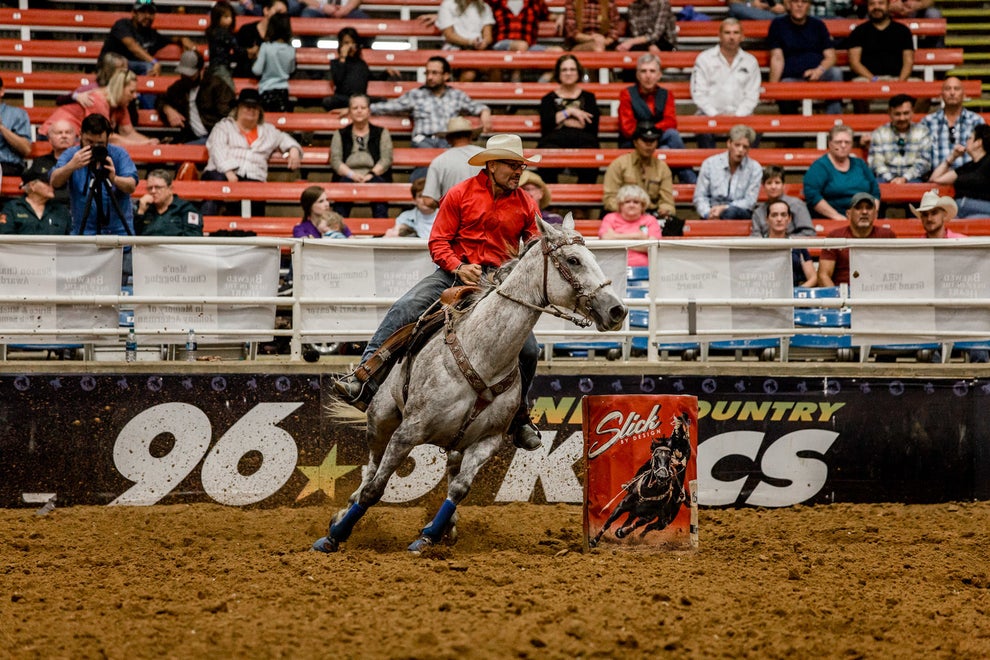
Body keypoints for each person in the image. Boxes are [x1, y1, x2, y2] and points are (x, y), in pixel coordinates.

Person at [333, 134, 544, 451]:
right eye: (513, 165)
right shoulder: (460, 194)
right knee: (406, 308)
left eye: (521, 165)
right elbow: (438, 242)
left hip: (497, 284)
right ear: (492, 165)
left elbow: (533, 248)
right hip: (453, 275)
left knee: (529, 350)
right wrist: (459, 267)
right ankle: (364, 378)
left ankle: (520, 417)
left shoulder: (526, 202)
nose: (519, 171)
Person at [50, 114, 139, 282]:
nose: (94, 148)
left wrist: (114, 179)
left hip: (119, 238)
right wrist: (71, 166)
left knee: (123, 292)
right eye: (89, 142)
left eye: (99, 144)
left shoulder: (118, 154)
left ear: (108, 138)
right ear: (81, 135)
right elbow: (55, 181)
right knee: (85, 293)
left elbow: (131, 185)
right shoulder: (73, 154)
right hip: (84, 238)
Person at [201, 88, 303, 217]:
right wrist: (229, 172)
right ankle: (204, 229)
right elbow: (217, 149)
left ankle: (253, 233)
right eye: (247, 106)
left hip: (253, 177)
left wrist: (293, 150)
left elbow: (285, 139)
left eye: (255, 107)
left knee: (256, 194)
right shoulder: (224, 126)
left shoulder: (268, 130)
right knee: (215, 187)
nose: (251, 110)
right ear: (238, 108)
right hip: (221, 173)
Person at [368, 57, 493, 151]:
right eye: (427, 73)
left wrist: (485, 112)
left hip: (448, 141)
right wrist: (365, 108)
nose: (430, 77)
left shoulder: (456, 95)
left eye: (434, 73)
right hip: (423, 141)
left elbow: (476, 106)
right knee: (422, 175)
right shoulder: (416, 94)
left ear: (446, 75)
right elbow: (390, 107)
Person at [99, 0, 197, 107]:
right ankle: (149, 108)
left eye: (150, 13)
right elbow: (132, 46)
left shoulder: (151, 35)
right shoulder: (123, 25)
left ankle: (148, 111)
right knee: (148, 66)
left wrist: (182, 39)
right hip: (110, 69)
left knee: (149, 70)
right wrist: (154, 61)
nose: (147, 16)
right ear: (134, 13)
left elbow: (170, 39)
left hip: (132, 74)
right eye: (143, 12)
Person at [617, 54, 696, 183]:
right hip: (634, 142)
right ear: (637, 75)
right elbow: (627, 128)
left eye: (652, 71)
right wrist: (649, 133)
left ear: (659, 75)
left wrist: (652, 132)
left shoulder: (666, 94)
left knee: (671, 136)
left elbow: (671, 121)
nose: (648, 76)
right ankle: (691, 182)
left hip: (658, 139)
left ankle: (686, 183)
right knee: (669, 142)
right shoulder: (627, 94)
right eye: (643, 71)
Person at [689, 18, 762, 149]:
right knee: (701, 128)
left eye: (736, 33)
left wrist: (738, 116)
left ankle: (745, 168)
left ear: (742, 36)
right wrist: (715, 115)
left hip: (742, 116)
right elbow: (698, 94)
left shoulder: (751, 62)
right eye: (727, 33)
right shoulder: (704, 59)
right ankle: (710, 167)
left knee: (757, 128)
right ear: (719, 36)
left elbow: (752, 95)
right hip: (708, 115)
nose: (732, 37)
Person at [39, 71, 158, 146]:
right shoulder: (98, 100)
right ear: (119, 89)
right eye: (131, 91)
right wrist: (143, 144)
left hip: (76, 138)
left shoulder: (121, 105)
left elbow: (128, 132)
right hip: (55, 136)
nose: (135, 96)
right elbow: (104, 136)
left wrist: (150, 142)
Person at [767, 0, 842, 115]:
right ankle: (791, 126)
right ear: (789, 4)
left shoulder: (818, 25)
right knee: (785, 86)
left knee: (836, 73)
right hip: (792, 77)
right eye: (795, 1)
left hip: (819, 73)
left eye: (804, 2)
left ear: (809, 5)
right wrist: (772, 88)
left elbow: (831, 56)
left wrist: (818, 70)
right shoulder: (778, 25)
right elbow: (777, 58)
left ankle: (834, 120)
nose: (799, 5)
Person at [537, 54, 601, 185]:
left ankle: (583, 202)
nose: (568, 73)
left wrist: (560, 120)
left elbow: (591, 126)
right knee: (546, 152)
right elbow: (547, 124)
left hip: (583, 141)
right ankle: (549, 200)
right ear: (558, 73)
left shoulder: (589, 97)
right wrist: (571, 112)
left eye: (572, 69)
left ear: (578, 72)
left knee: (590, 154)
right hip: (554, 142)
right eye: (564, 70)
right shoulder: (548, 98)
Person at [330, 94, 393, 219]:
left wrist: (371, 174)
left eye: (363, 107)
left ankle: (380, 233)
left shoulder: (382, 132)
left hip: (375, 175)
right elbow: (335, 160)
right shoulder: (339, 133)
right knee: (342, 195)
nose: (359, 110)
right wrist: (352, 175)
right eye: (355, 108)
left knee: (379, 190)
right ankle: (338, 233)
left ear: (369, 111)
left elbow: (386, 159)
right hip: (347, 175)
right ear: (349, 112)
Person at [156, 50, 236, 145]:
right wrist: (167, 109)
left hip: (215, 136)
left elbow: (227, 115)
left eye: (190, 75)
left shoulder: (217, 86)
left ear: (201, 71)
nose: (186, 78)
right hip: (190, 137)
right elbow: (161, 99)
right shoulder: (179, 87)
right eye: (183, 74)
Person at [817, 192, 896, 287]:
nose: (864, 212)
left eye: (869, 208)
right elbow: (823, 275)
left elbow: (897, 270)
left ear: (876, 214)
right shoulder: (835, 237)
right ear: (848, 214)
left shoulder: (887, 236)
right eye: (858, 208)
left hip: (879, 293)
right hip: (844, 296)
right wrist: (838, 300)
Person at [803, 125, 880, 220]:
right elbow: (812, 196)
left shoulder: (860, 164)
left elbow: (875, 191)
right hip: (832, 219)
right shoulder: (819, 166)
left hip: (864, 218)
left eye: (847, 142)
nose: (843, 145)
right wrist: (838, 217)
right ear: (830, 143)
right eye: (838, 142)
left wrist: (872, 213)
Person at [603, 124, 675, 219]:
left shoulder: (662, 168)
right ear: (635, 142)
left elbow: (667, 202)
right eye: (644, 140)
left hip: (651, 216)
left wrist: (664, 210)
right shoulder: (619, 164)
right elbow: (609, 199)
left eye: (652, 141)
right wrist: (629, 210)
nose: (649, 144)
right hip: (622, 214)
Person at [693, 124, 762, 220]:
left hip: (740, 213)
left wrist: (725, 208)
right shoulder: (710, 163)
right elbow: (700, 197)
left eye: (745, 147)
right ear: (729, 143)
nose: (741, 150)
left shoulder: (755, 168)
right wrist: (708, 213)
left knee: (731, 212)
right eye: (737, 145)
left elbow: (750, 201)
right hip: (712, 212)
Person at [922, 77, 986, 172]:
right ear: (941, 95)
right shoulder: (927, 122)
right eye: (948, 89)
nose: (952, 93)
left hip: (969, 179)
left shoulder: (976, 121)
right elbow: (922, 157)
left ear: (964, 95)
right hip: (935, 179)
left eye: (956, 89)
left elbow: (983, 155)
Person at [421, 117, 484, 209]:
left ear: (448, 139)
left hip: (455, 218)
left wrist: (448, 205)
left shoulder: (439, 161)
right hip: (485, 214)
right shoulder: (486, 155)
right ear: (471, 136)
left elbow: (428, 200)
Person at [929, 125, 990, 219]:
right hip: (966, 210)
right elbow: (935, 179)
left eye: (969, 138)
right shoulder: (969, 166)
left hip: (982, 206)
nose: (966, 142)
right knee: (953, 221)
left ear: (978, 143)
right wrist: (952, 157)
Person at [868, 95, 932, 184]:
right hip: (885, 179)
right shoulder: (879, 133)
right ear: (889, 113)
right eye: (897, 114)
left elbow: (924, 161)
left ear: (912, 112)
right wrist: (890, 179)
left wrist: (905, 178)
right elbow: (876, 162)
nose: (902, 118)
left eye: (906, 113)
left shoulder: (922, 132)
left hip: (913, 178)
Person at [847, 0, 914, 83]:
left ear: (888, 6)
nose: (876, 7)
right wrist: (874, 79)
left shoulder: (903, 31)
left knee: (920, 87)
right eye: (872, 4)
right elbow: (855, 63)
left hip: (897, 79)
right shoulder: (858, 31)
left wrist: (900, 82)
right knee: (856, 84)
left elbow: (908, 61)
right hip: (867, 80)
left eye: (881, 3)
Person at [0, 162, 72, 236]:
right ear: (32, 185)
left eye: (52, 182)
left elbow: (71, 239)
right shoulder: (12, 208)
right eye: (46, 182)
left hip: (53, 248)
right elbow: (5, 237)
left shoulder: (61, 210)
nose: (51, 185)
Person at [598, 184, 662, 267]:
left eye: (636, 202)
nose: (631, 205)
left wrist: (615, 237)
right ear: (620, 205)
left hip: (645, 269)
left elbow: (653, 247)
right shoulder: (610, 218)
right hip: (614, 267)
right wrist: (638, 237)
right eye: (627, 202)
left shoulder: (650, 220)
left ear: (642, 206)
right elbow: (605, 241)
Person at [436, 0, 495, 83]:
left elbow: (488, 36)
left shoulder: (485, 7)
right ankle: (457, 94)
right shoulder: (448, 4)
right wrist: (470, 42)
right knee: (469, 74)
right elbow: (449, 35)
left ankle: (494, 94)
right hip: (456, 47)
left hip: (479, 49)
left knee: (495, 67)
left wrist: (484, 43)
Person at [750, 165, 815, 237]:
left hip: (792, 246)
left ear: (783, 185)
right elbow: (756, 237)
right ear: (763, 186)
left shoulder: (796, 205)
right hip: (767, 247)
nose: (773, 187)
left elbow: (809, 233)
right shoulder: (758, 212)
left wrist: (786, 241)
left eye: (777, 182)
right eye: (769, 183)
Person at [134, 169, 203, 236]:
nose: (153, 191)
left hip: (175, 247)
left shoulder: (186, 209)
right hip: (146, 247)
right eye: (150, 188)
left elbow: (193, 237)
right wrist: (141, 212)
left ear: (170, 189)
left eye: (158, 187)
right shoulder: (143, 207)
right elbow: (132, 237)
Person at [765, 199, 816, 287]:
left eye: (783, 215)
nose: (779, 219)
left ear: (789, 219)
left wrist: (797, 292)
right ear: (767, 219)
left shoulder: (798, 246)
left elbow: (813, 278)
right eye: (774, 215)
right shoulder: (757, 245)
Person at [252, 13, 295, 112]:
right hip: (283, 90)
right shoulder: (291, 49)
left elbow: (257, 70)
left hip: (266, 89)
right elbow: (291, 69)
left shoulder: (266, 47)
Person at [235, 0, 289, 79]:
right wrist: (248, 53)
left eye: (284, 15)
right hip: (246, 77)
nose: (281, 17)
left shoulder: (283, 35)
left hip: (271, 80)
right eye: (278, 12)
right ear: (266, 10)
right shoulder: (246, 30)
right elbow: (237, 55)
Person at [322, 28, 371, 111]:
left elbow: (370, 78)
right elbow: (338, 80)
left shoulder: (361, 63)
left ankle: (351, 108)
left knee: (381, 101)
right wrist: (343, 59)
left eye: (353, 42)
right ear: (341, 44)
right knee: (328, 101)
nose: (350, 46)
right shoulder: (335, 63)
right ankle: (350, 108)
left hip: (360, 99)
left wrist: (386, 73)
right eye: (347, 43)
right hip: (344, 98)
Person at [32, 119, 78, 206]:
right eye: (59, 133)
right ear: (49, 139)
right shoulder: (39, 162)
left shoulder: (83, 160)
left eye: (68, 132)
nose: (64, 136)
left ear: (75, 137)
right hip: (48, 209)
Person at [205, 0, 245, 88]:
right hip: (221, 68)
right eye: (226, 17)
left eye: (231, 17)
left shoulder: (213, 32)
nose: (230, 19)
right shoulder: (224, 35)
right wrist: (248, 52)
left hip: (215, 66)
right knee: (228, 91)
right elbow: (237, 49)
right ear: (217, 18)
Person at [0, 77, 31, 177]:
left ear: (1, 91)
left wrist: (2, 128)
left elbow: (26, 149)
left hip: (8, 166)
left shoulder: (17, 114)